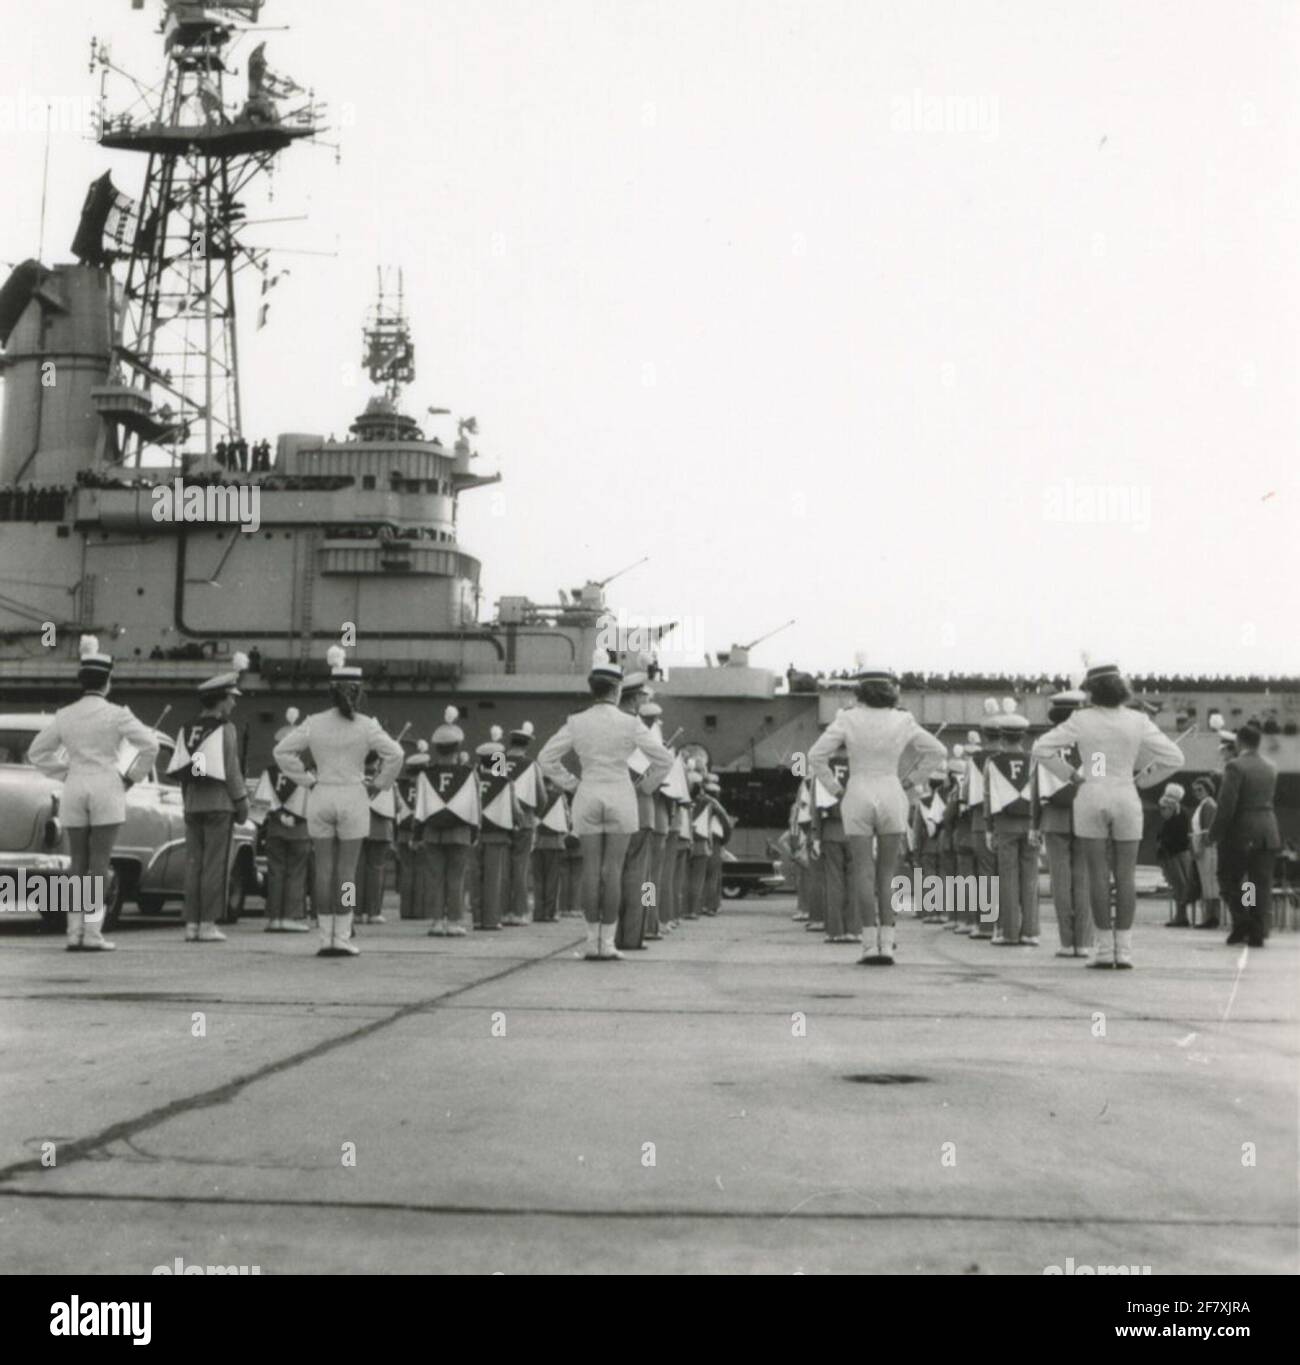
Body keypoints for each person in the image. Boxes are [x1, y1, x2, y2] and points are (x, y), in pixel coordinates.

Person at [1032, 662, 1184, 969]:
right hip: (1126, 794)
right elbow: (1174, 758)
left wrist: (1072, 775)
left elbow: (1040, 748)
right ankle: (1124, 951)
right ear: (1121, 689)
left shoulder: (1082, 719)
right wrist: (1143, 780)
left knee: (1097, 874)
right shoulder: (1138, 720)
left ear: (1092, 691)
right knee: (1125, 875)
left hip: (1091, 793)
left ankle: (1103, 950)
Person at [537, 651, 673, 960]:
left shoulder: (576, 721)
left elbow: (545, 759)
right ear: (617, 689)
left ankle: (590, 942)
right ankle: (608, 943)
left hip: (588, 793)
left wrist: (573, 784)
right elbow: (664, 759)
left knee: (590, 871)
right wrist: (647, 785)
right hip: (622, 796)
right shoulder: (630, 723)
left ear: (592, 688)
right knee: (613, 871)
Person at [27, 636, 159, 951]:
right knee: (100, 863)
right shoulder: (117, 713)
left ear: (81, 681)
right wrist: (131, 778)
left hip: (74, 787)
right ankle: (93, 933)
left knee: (77, 863)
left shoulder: (65, 714)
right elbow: (150, 745)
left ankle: (73, 933)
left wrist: (66, 773)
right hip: (107, 787)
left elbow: (37, 752)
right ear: (108, 681)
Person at [808, 669, 946, 965]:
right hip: (891, 790)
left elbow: (815, 756)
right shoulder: (903, 719)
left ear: (860, 692)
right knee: (887, 873)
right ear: (890, 692)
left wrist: (835, 787)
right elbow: (938, 751)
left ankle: (868, 945)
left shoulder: (846, 718)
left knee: (863, 871)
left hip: (857, 790)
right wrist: (911, 780)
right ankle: (888, 943)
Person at [272, 647, 403, 957]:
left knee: (323, 870)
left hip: (321, 794)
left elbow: (282, 752)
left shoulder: (314, 722)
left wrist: (307, 780)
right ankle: (342, 936)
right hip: (354, 796)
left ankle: (325, 937)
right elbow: (396, 754)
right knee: (347, 872)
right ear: (358, 693)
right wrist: (379, 785)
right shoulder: (367, 724)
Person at [173, 655, 251, 943]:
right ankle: (208, 923)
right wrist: (242, 804)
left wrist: (187, 803)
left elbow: (183, 770)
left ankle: (191, 923)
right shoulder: (225, 729)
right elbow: (232, 770)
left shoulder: (188, 728)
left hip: (193, 803)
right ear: (220, 699)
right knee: (216, 865)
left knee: (194, 863)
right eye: (230, 698)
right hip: (219, 804)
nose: (233, 703)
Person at [1031, 690, 1092, 958]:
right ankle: (1085, 941)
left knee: (1060, 881)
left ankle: (1067, 942)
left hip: (1055, 817)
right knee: (1084, 880)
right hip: (1088, 816)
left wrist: (1034, 824)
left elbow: (1035, 788)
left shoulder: (1044, 743)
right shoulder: (1095, 744)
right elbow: (1099, 782)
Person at [1209, 724, 1280, 949]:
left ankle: (1242, 922)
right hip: (1267, 830)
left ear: (1239, 742)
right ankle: (1257, 930)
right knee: (1258, 882)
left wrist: (1214, 834)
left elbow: (1227, 805)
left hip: (1240, 832)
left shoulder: (1235, 766)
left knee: (1230, 879)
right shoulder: (1271, 766)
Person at [418, 707, 478, 937]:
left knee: (435, 877)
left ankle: (436, 921)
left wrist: (416, 834)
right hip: (460, 832)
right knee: (456, 877)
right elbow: (475, 806)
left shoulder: (425, 774)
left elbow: (419, 809)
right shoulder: (468, 773)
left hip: (433, 831)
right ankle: (454, 920)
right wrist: (474, 833)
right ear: (458, 747)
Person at [984, 701, 1039, 947]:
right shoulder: (1034, 761)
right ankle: (1030, 931)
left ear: (1003, 736)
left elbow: (987, 797)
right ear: (1022, 735)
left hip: (1004, 824)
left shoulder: (992, 762)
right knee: (1030, 878)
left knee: (1007, 878)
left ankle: (1009, 931)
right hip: (1030, 822)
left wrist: (988, 828)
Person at [261, 706, 312, 933]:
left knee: (275, 872)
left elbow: (261, 803)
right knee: (296, 872)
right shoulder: (305, 773)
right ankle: (291, 916)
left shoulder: (269, 772)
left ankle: (274, 917)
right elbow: (312, 804)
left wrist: (279, 815)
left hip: (274, 827)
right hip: (300, 829)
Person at [810, 743, 860, 943]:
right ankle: (854, 929)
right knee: (855, 882)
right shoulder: (860, 767)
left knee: (833, 882)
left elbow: (815, 807)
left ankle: (835, 930)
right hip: (856, 830)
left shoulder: (824, 769)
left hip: (831, 830)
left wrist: (815, 836)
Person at [469, 726, 518, 931]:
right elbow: (515, 811)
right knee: (494, 878)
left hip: (476, 833)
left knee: (475, 876)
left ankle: (477, 918)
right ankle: (491, 919)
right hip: (497, 835)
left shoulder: (473, 781)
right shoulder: (505, 782)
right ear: (499, 759)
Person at [502, 721, 541, 926]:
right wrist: (537, 814)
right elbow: (541, 796)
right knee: (521, 867)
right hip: (524, 821)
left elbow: (493, 788)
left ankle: (502, 911)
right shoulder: (531, 765)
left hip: (501, 820)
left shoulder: (498, 760)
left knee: (502, 867)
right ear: (526, 745)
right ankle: (519, 912)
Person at [357, 752, 396, 926]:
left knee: (349, 873)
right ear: (378, 760)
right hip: (379, 830)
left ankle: (349, 910)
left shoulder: (351, 776)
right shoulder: (386, 779)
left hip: (354, 828)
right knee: (376, 872)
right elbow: (398, 805)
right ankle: (374, 912)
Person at [1155, 783, 1195, 928]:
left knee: (1179, 885)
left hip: (1174, 853)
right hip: (1180, 852)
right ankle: (1181, 915)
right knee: (1180, 885)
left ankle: (1181, 916)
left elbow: (1169, 827)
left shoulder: (1174, 810)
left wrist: (1162, 844)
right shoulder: (1183, 811)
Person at [1188, 776, 1221, 930]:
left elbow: (1207, 830)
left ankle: (1212, 917)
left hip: (1207, 847)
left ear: (1208, 789)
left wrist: (1200, 848)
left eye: (1200, 789)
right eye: (1195, 790)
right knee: (1206, 882)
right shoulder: (1203, 805)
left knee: (1210, 883)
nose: (1197, 793)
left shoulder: (1208, 805)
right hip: (1201, 844)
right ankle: (1210, 916)